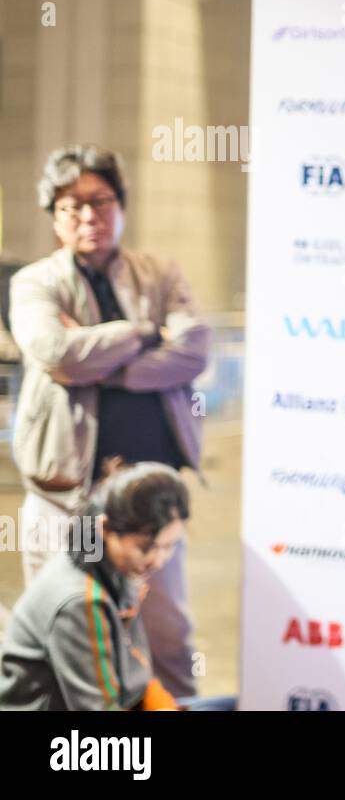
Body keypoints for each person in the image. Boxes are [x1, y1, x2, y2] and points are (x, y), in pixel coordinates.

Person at [8, 144, 210, 699]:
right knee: (66, 633)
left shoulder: (161, 273)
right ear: (54, 216)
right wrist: (143, 333)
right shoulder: (33, 283)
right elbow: (56, 351)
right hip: (64, 500)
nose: (88, 216)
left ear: (121, 205)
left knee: (169, 639)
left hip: (149, 505)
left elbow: (193, 351)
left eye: (100, 201)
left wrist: (99, 367)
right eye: (72, 206)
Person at [0, 461, 189, 711]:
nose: (158, 560)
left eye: (169, 546)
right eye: (146, 547)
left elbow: (136, 677)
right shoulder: (80, 600)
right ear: (105, 529)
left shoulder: (111, 568)